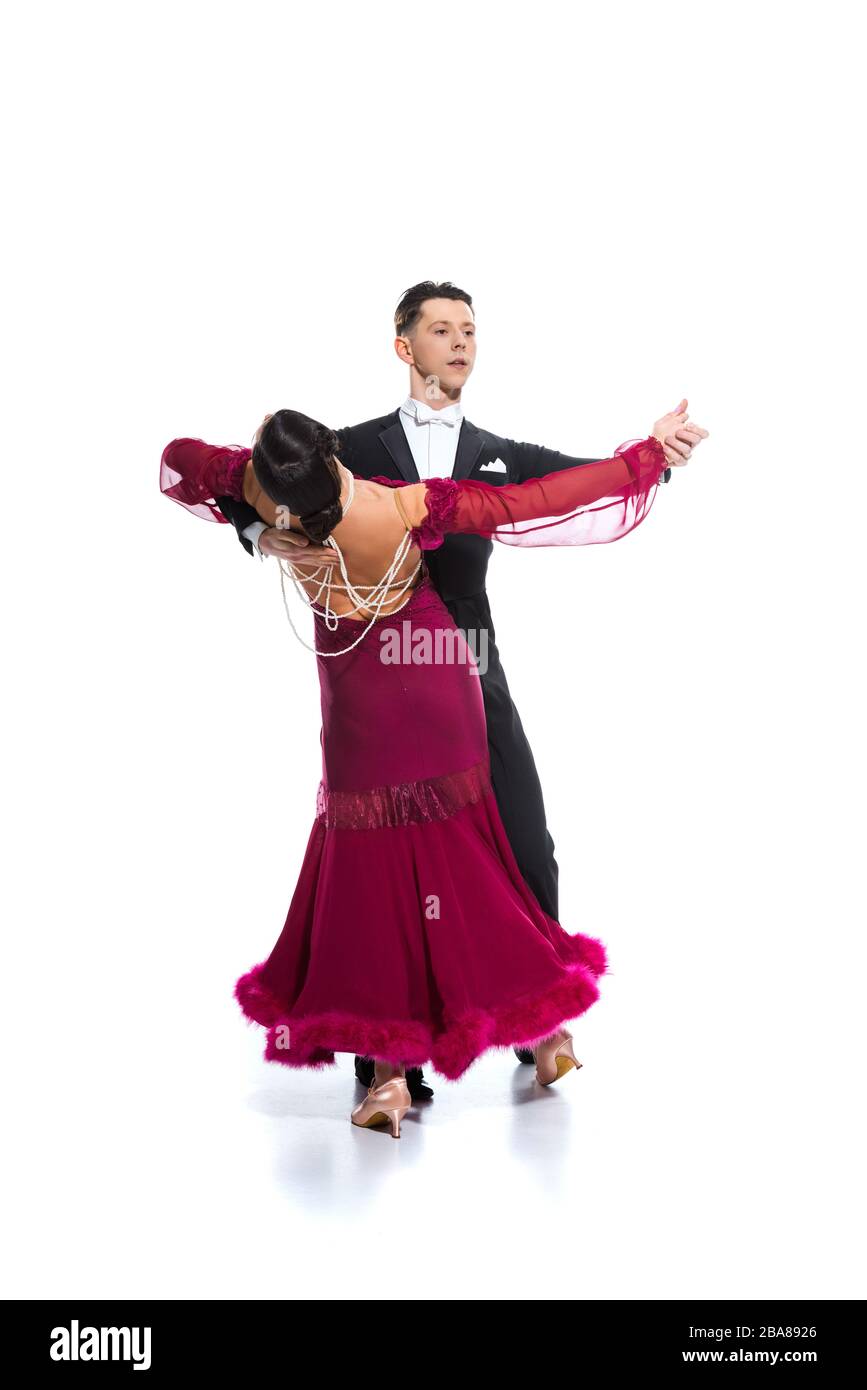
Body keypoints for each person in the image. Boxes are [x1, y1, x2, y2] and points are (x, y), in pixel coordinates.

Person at [207, 281, 708, 1102]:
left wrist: (648, 454)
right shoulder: (349, 447)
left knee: (522, 834)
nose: (460, 342)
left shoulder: (496, 450)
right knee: (382, 857)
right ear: (403, 347)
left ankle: (531, 1018)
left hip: (468, 654)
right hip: (371, 667)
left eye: (470, 329)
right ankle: (386, 1052)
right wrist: (265, 537)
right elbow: (256, 486)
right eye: (441, 329)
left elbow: (575, 482)